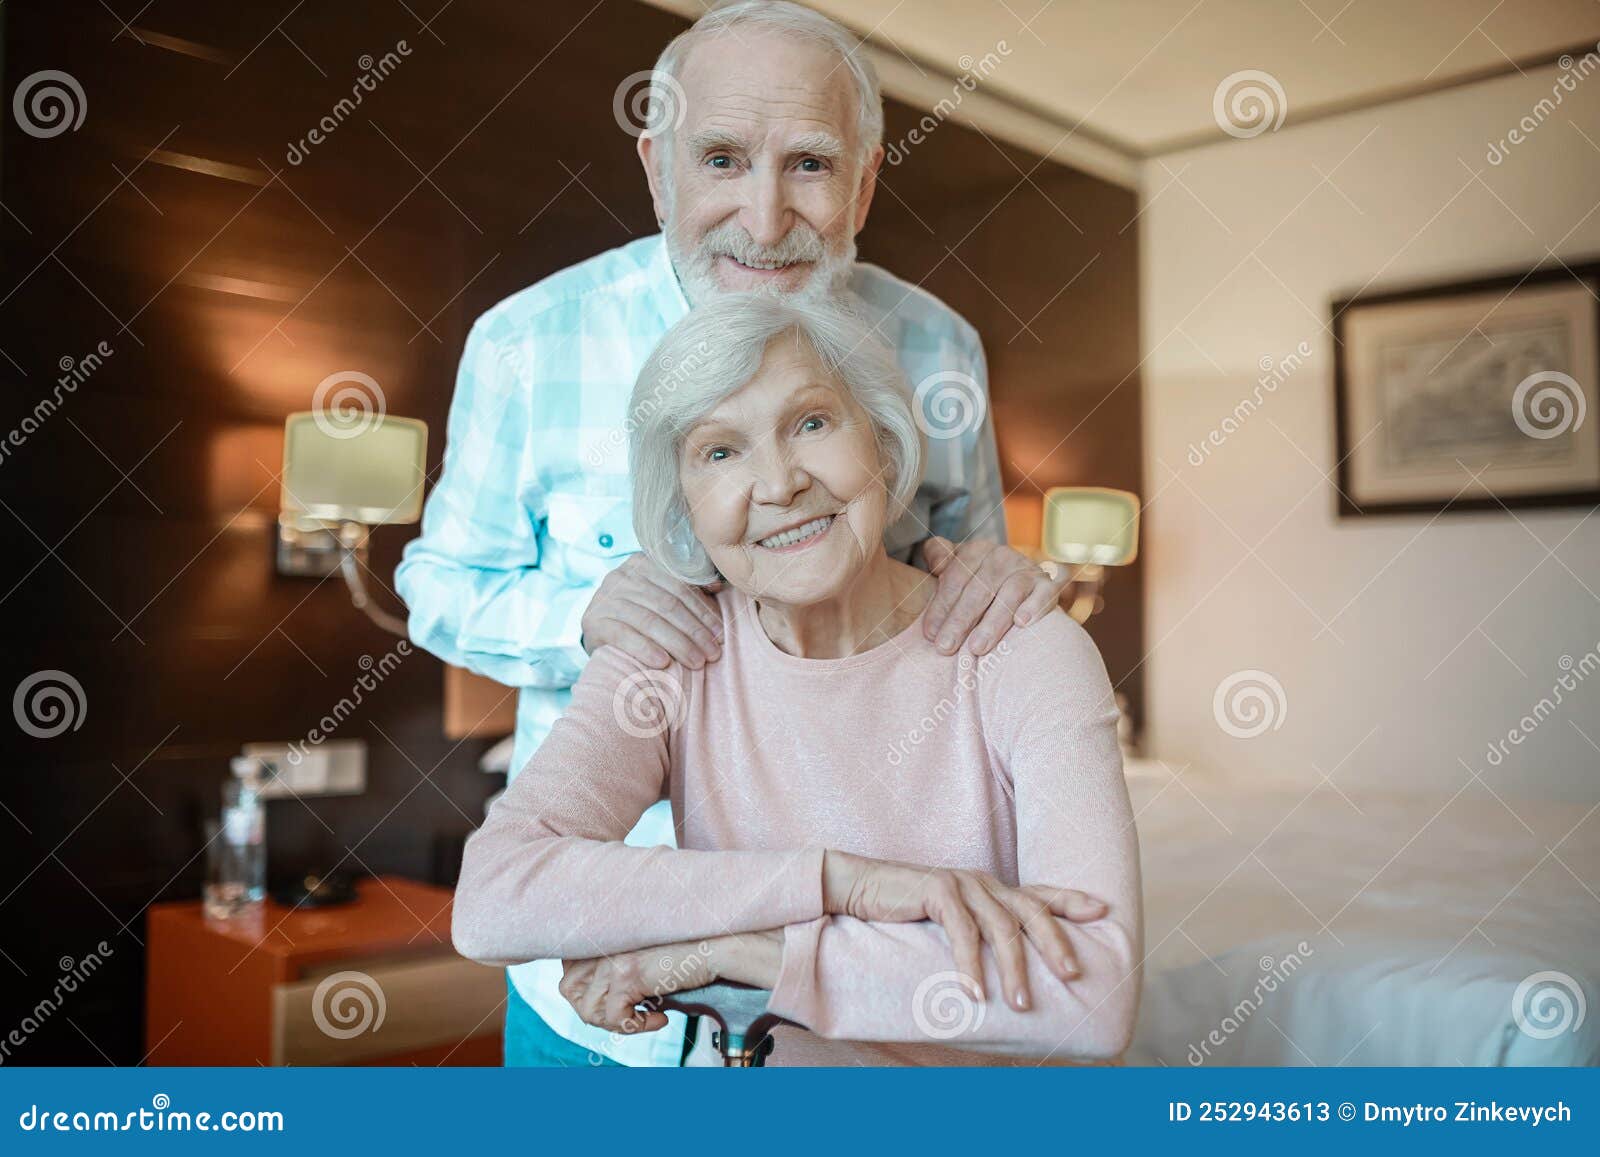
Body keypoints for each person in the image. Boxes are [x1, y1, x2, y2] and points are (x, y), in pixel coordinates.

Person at [395, 0, 1073, 1067]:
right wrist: (578, 614)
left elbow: (965, 576)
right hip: (597, 988)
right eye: (721, 158)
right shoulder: (526, 340)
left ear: (864, 179)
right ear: (658, 166)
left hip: (869, 984)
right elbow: (436, 585)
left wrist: (989, 576)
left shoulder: (940, 349)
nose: (765, 220)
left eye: (808, 163)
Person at [451, 294, 1143, 1066]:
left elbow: (1093, 995)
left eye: (812, 423)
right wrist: (839, 882)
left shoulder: (1022, 647)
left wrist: (740, 946)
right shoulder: (673, 650)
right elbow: (494, 896)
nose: (778, 484)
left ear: (882, 439)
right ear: (683, 502)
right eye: (719, 452)